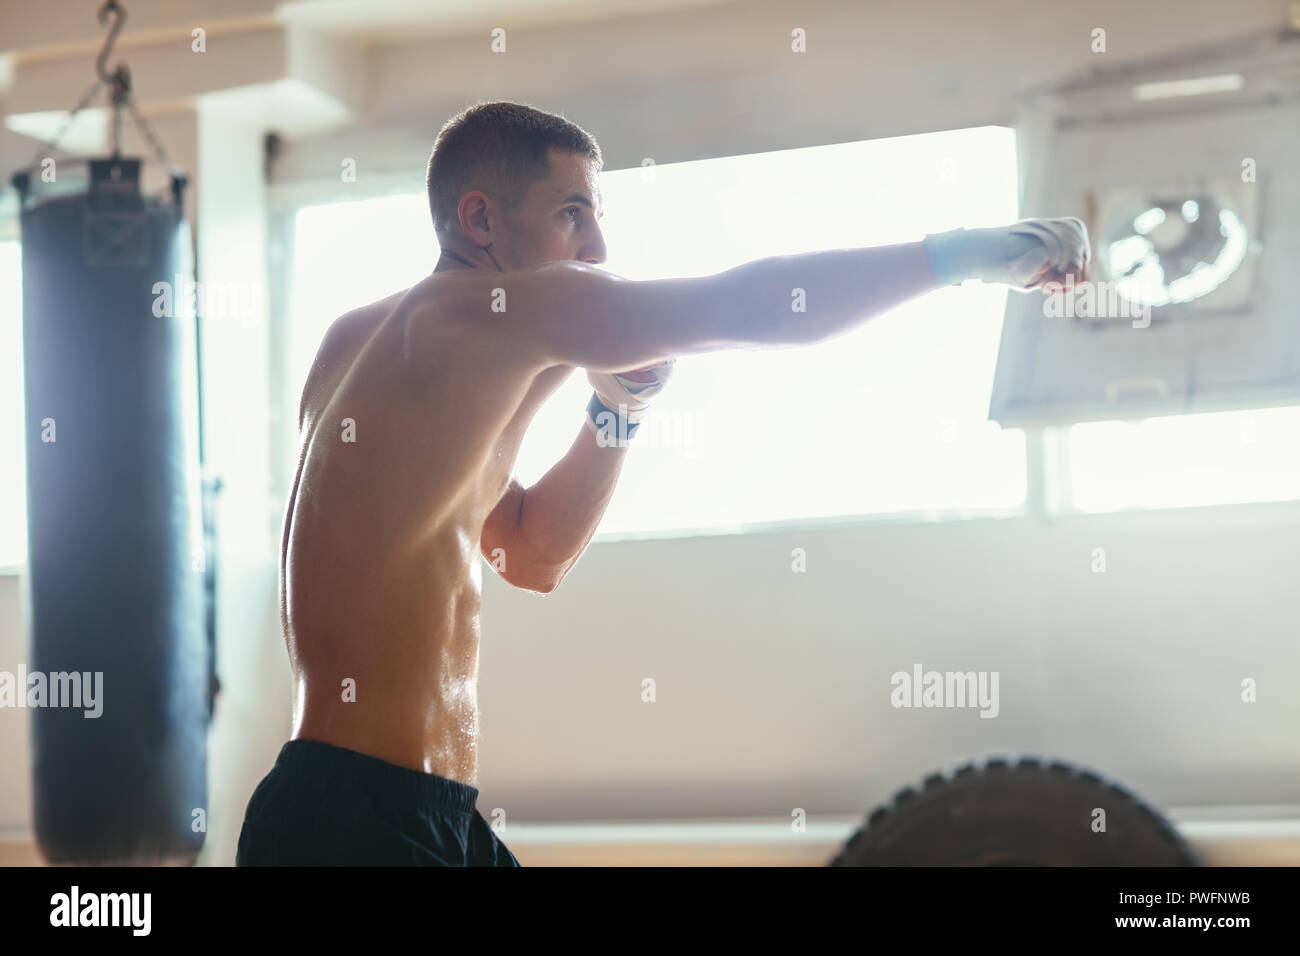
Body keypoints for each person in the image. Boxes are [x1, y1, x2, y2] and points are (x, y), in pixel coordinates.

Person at [235, 100, 1090, 866]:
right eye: (573, 215)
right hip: (357, 822)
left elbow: (531, 552)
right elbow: (753, 306)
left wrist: (616, 414)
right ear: (479, 218)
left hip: (409, 812)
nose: (597, 250)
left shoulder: (386, 343)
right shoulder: (475, 318)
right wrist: (972, 256)